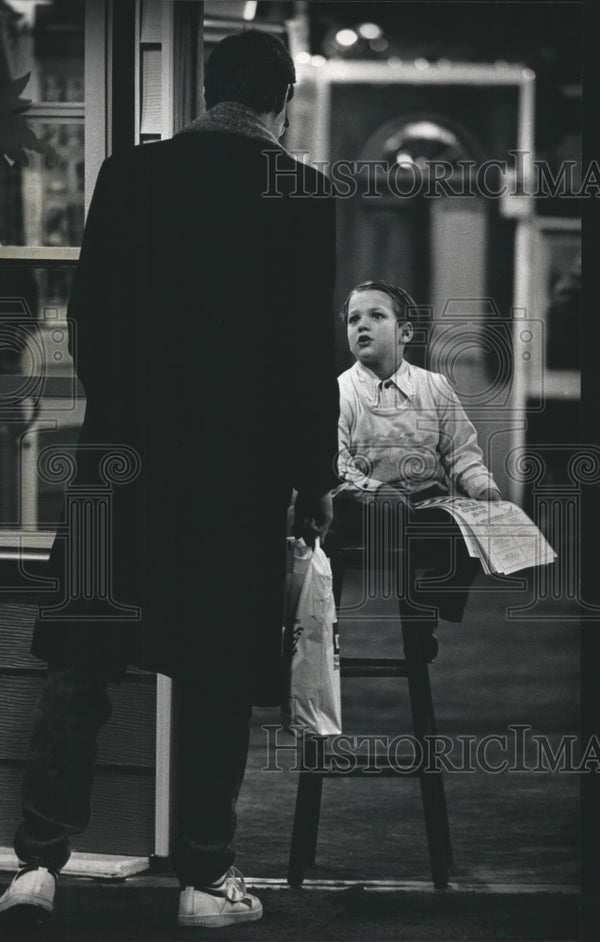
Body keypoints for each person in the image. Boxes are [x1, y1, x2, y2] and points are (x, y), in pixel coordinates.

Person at [0, 30, 339, 929]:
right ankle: (203, 879)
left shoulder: (130, 175)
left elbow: (88, 324)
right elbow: (309, 360)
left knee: (81, 665)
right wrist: (313, 479)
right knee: (216, 675)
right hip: (236, 479)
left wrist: (125, 415)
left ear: (204, 92)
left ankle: (36, 867)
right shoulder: (303, 193)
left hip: (122, 460)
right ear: (282, 101)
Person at [328, 280, 502, 659]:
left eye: (376, 316)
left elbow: (461, 451)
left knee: (473, 531)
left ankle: (427, 606)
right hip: (363, 505)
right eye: (354, 319)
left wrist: (482, 488)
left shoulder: (434, 387)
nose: (362, 325)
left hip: (422, 502)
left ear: (405, 332)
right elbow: (337, 464)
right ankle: (324, 634)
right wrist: (375, 490)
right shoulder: (340, 392)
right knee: (332, 528)